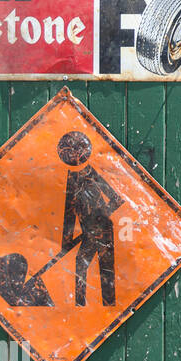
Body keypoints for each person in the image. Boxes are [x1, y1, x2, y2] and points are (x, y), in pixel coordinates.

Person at [58, 131, 122, 309]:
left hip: (103, 228)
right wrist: (66, 242)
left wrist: (100, 217)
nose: (73, 155)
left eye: (76, 151)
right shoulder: (72, 178)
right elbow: (69, 213)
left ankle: (108, 306)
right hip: (88, 231)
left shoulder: (91, 173)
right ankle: (80, 306)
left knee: (105, 268)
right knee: (81, 264)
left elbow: (116, 199)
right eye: (69, 152)